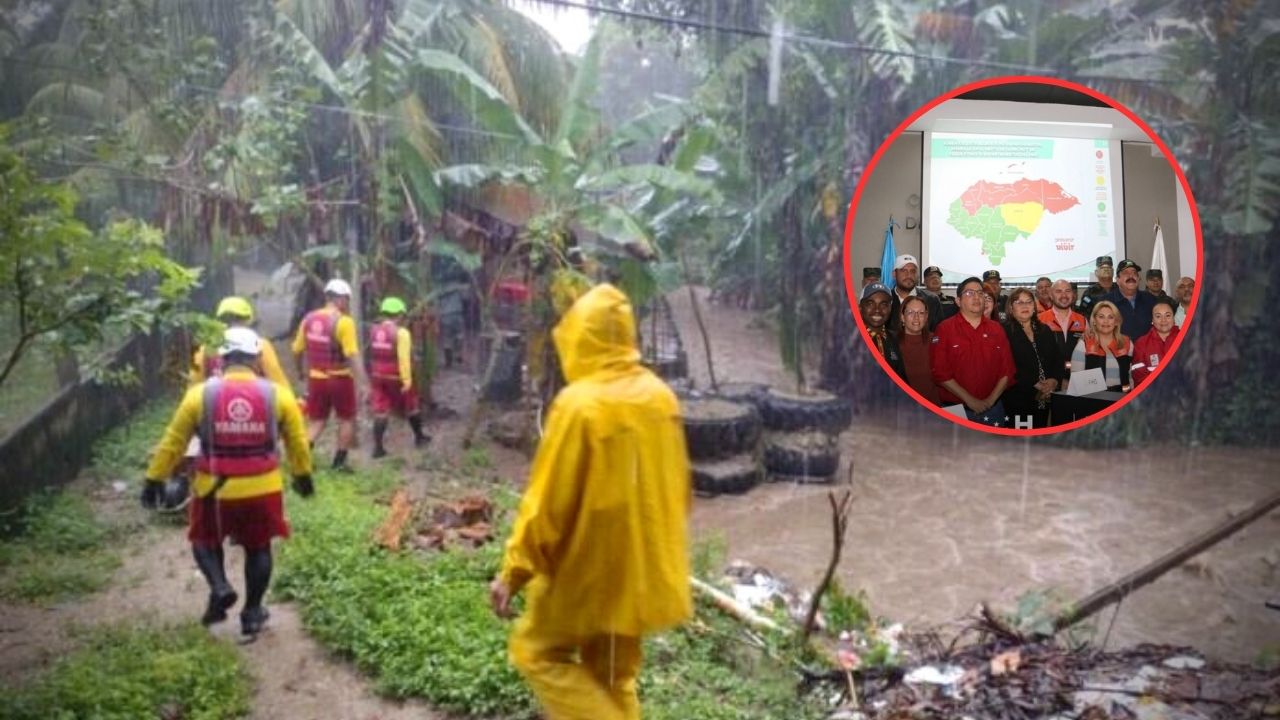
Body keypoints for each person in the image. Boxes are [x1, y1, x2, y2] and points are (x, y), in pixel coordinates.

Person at [489, 284, 690, 720]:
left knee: (536, 652)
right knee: (613, 676)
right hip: (641, 571)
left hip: (585, 573)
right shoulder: (661, 397)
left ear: (582, 335)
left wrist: (514, 572)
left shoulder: (579, 406)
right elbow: (679, 491)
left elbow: (547, 503)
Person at [141, 327, 313, 636]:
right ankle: (252, 612)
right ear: (257, 359)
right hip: (263, 489)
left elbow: (173, 442)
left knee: (204, 541)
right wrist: (302, 476)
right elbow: (298, 442)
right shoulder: (278, 395)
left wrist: (154, 479)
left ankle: (220, 586)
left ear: (222, 360)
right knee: (259, 548)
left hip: (213, 491)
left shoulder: (200, 395)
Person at [291, 278, 365, 472]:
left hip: (316, 378)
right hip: (339, 377)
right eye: (347, 299)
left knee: (317, 421)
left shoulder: (308, 319)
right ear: (341, 299)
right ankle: (339, 464)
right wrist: (363, 382)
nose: (347, 304)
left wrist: (300, 371)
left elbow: (297, 350)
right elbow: (352, 354)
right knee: (346, 419)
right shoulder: (344, 322)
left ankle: (300, 459)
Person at [930, 277, 1015, 426]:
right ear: (957, 301)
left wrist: (990, 401)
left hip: (993, 409)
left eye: (980, 293)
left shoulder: (997, 329)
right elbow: (940, 373)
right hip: (955, 409)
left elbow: (1007, 371)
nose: (977, 297)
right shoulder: (945, 329)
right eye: (969, 293)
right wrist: (971, 401)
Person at [367, 296, 430, 457]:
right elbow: (404, 359)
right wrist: (408, 381)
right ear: (399, 315)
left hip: (377, 375)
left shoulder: (374, 330)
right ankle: (419, 438)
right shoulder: (401, 333)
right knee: (412, 407)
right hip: (396, 376)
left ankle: (378, 448)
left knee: (381, 411)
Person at [190, 296, 289, 387]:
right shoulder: (261, 345)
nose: (233, 323)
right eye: (230, 319)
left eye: (236, 319)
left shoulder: (206, 349)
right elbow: (280, 384)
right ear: (248, 321)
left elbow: (193, 387)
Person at [1001, 288, 1065, 429]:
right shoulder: (1003, 331)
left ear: (1034, 307)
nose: (1025, 306)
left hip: (1046, 396)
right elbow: (1006, 365)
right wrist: (1035, 383)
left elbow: (1058, 359)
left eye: (1029, 302)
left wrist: (1054, 381)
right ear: (1011, 308)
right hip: (1017, 398)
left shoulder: (1044, 330)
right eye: (1019, 302)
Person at [1072, 300, 1133, 391]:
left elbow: (1131, 377)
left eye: (1110, 317)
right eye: (1101, 317)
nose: (1106, 321)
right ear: (1094, 321)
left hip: (1122, 400)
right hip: (1093, 400)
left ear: (1116, 322)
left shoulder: (1127, 343)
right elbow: (1076, 381)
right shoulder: (1084, 344)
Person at [1038, 280, 1087, 387]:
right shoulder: (1039, 320)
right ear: (1051, 295)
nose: (1064, 295)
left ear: (1073, 294)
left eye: (1068, 291)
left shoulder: (1083, 321)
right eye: (1058, 291)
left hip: (1077, 381)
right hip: (1049, 383)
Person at [895, 295, 940, 404]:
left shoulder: (937, 340)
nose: (916, 317)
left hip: (935, 407)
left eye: (921, 313)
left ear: (926, 317)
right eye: (910, 312)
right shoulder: (891, 342)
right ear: (902, 317)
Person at [859, 282, 905, 377]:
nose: (877, 310)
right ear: (860, 307)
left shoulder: (895, 339)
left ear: (890, 309)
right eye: (870, 303)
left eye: (884, 304)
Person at [1132, 297, 1180, 386]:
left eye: (1168, 315)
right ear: (1152, 320)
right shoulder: (1141, 343)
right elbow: (1138, 375)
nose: (1163, 320)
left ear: (1174, 318)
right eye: (1158, 316)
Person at [887, 254, 941, 333]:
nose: (908, 275)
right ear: (894, 274)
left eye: (913, 271)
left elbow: (938, 333)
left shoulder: (932, 300)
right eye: (903, 270)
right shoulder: (886, 300)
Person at [1106, 259, 1157, 340]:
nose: (1131, 276)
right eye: (1125, 273)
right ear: (1118, 280)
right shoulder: (1105, 302)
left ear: (1139, 279)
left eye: (1134, 273)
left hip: (1146, 350)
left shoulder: (1151, 300)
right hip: (1117, 350)